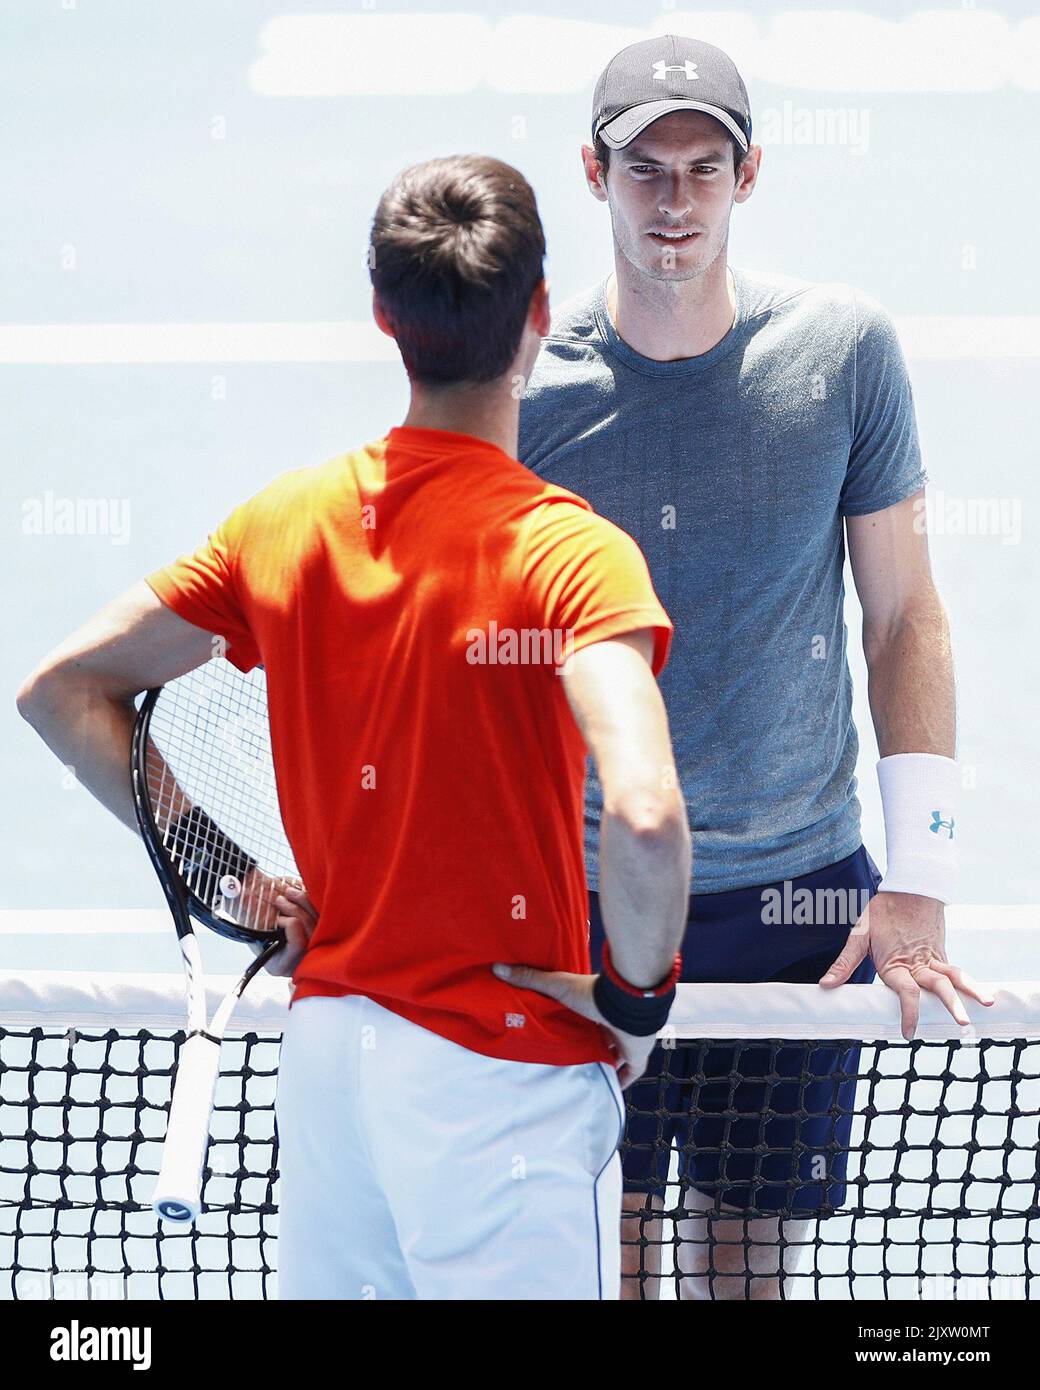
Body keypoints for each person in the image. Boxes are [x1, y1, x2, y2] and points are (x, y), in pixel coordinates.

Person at [16, 154, 691, 1300]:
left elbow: (60, 690)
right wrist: (635, 1000)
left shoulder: (283, 522)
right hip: (504, 1086)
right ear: (538, 315)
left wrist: (231, 882)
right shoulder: (571, 553)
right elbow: (643, 809)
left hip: (330, 1079)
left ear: (383, 316)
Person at [513, 33, 991, 1300]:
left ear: (747, 174)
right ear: (593, 174)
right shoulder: (526, 398)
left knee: (746, 1289)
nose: (673, 203)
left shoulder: (843, 354)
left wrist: (920, 879)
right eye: (644, 171)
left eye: (701, 169)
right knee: (599, 1279)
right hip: (583, 905)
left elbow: (903, 620)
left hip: (797, 919)